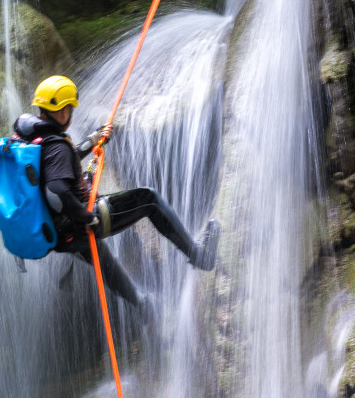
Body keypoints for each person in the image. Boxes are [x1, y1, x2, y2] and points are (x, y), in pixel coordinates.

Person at [13, 75, 219, 310]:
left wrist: (91, 143)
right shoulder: (57, 145)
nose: (69, 114)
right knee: (148, 199)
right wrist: (86, 216)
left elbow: (55, 167)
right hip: (76, 223)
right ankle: (198, 255)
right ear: (61, 111)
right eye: (69, 108)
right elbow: (56, 191)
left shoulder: (34, 140)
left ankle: (144, 308)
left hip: (58, 232)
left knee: (103, 260)